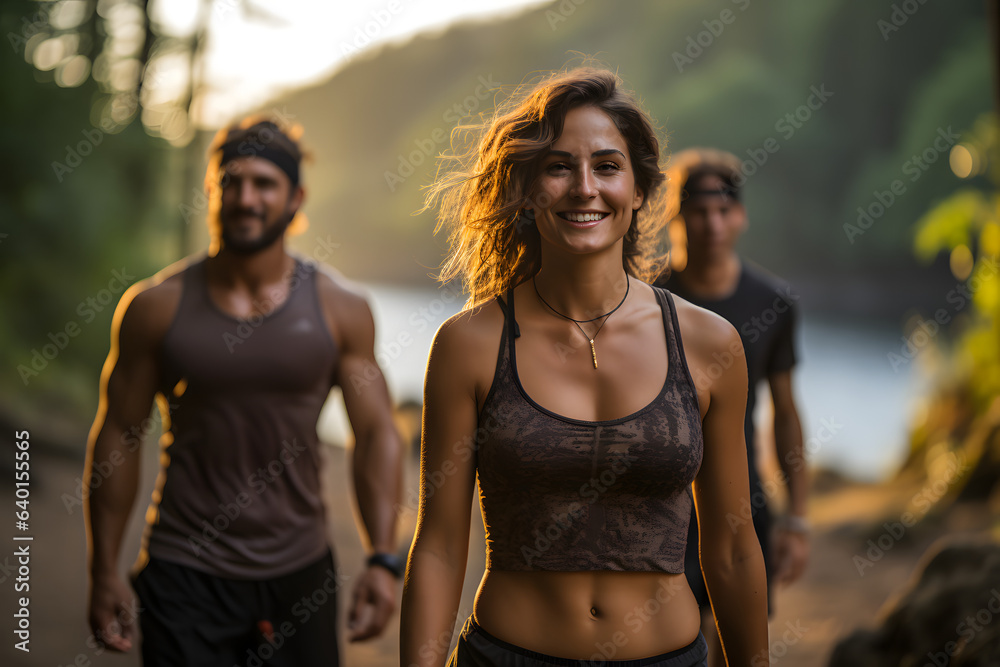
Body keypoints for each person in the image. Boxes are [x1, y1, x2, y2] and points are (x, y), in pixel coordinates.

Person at [400, 68, 768, 667]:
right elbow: (439, 545)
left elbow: (730, 546)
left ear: (641, 189)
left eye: (606, 166)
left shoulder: (709, 344)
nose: (583, 187)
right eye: (557, 167)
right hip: (508, 656)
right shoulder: (468, 344)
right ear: (528, 189)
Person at [83, 117, 404, 666]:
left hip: (299, 575)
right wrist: (103, 571)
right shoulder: (155, 307)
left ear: (296, 198)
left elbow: (376, 433)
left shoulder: (340, 309)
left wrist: (381, 559)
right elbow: (118, 432)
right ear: (211, 189)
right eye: (231, 181)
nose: (245, 198)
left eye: (264, 183)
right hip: (184, 569)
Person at [655, 148, 808, 665]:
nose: (711, 222)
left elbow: (785, 413)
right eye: (697, 209)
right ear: (674, 216)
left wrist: (799, 519)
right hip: (658, 502)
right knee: (665, 644)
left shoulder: (773, 303)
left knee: (735, 644)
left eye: (723, 209)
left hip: (743, 498)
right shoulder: (642, 298)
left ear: (740, 216)